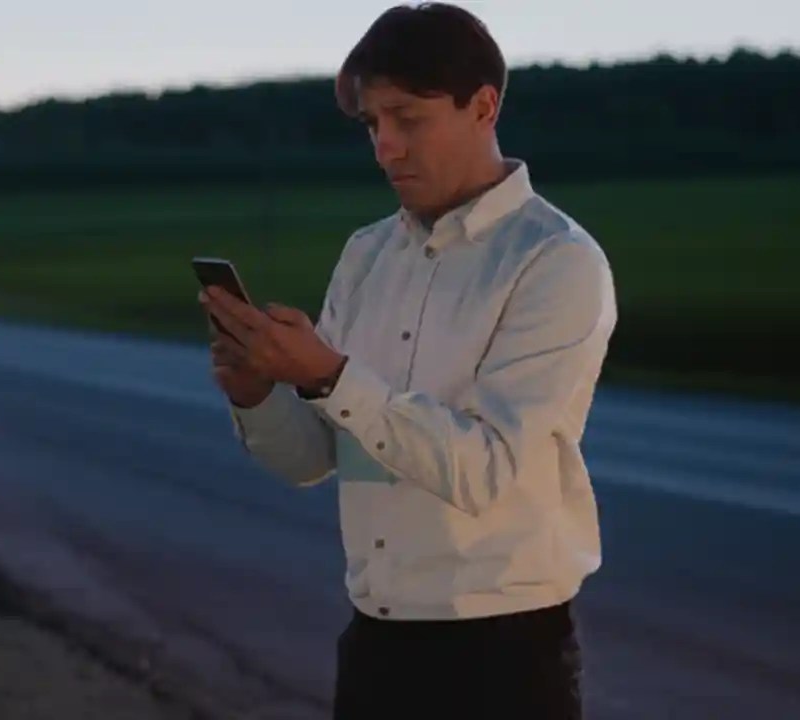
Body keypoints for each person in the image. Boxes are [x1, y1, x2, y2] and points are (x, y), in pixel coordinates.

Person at [199, 3, 617, 717]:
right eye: (372, 123)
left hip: (503, 657)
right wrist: (256, 392)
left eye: (407, 118)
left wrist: (327, 375)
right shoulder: (367, 256)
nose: (384, 147)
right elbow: (315, 458)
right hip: (376, 644)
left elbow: (488, 470)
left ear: (483, 107)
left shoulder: (555, 261)